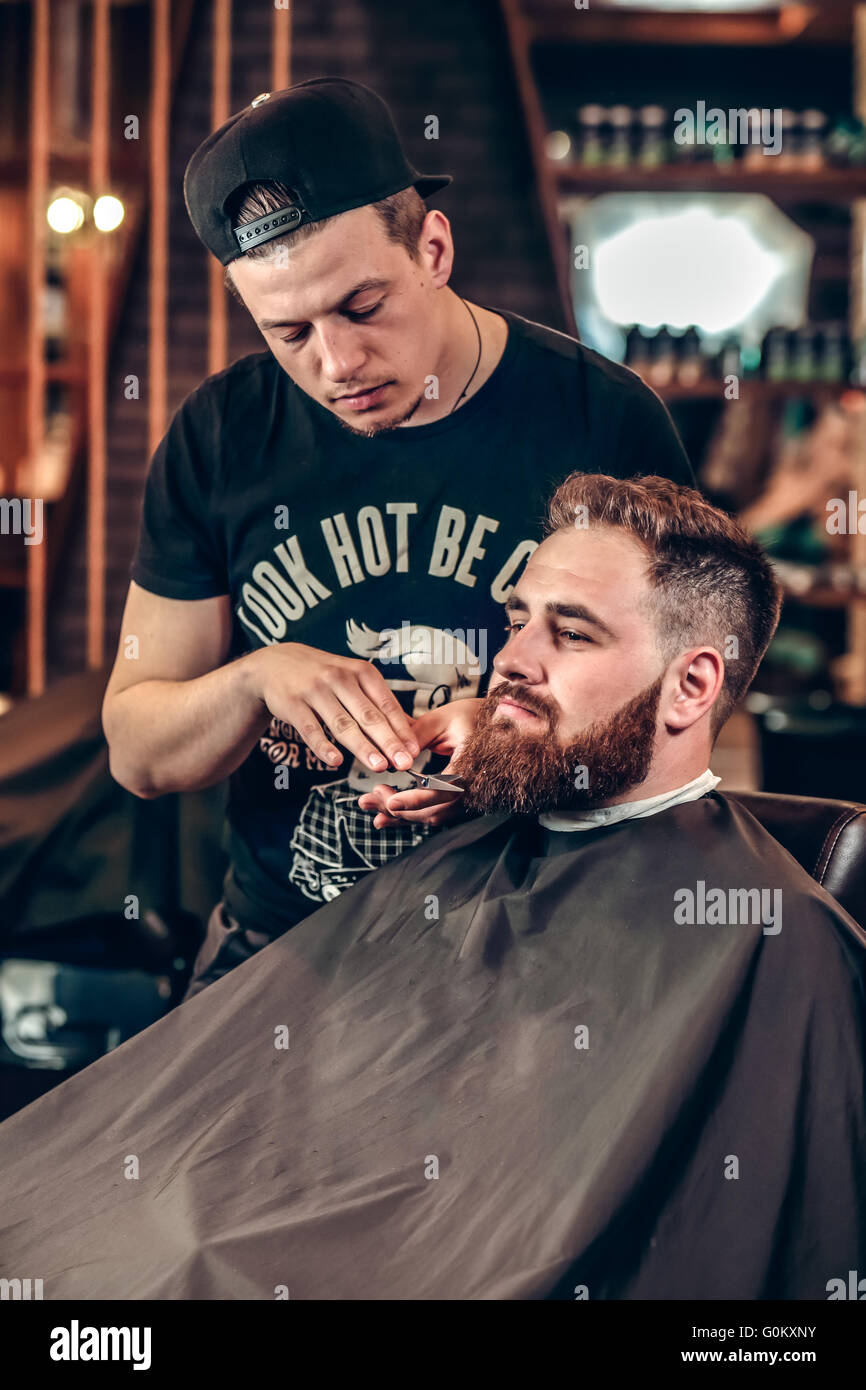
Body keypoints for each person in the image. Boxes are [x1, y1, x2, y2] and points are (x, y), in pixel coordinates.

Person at [2, 472, 863, 1300]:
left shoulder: (777, 937)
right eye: (518, 619)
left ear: (692, 685)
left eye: (571, 633)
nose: (512, 660)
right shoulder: (471, 839)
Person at [100, 77, 695, 1001]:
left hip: (536, 951)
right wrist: (257, 679)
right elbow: (137, 749)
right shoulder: (221, 436)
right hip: (284, 955)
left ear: (433, 247)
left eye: (363, 307)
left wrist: (512, 740)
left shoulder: (600, 422)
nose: (337, 365)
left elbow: (682, 718)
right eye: (288, 331)